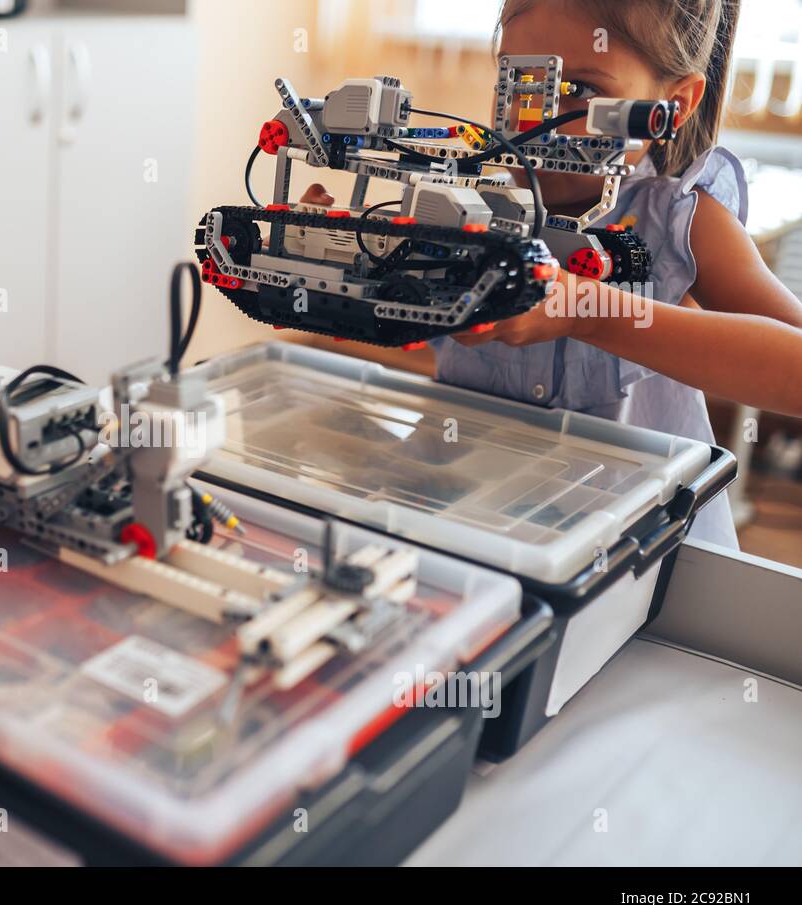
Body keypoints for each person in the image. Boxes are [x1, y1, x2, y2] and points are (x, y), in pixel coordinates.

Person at [300, 0, 802, 548]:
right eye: (516, 82)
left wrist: (589, 315)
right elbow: (399, 316)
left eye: (578, 90)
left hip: (642, 553)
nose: (530, 119)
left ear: (673, 105)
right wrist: (336, 255)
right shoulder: (465, 204)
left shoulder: (682, 220)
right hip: (475, 526)